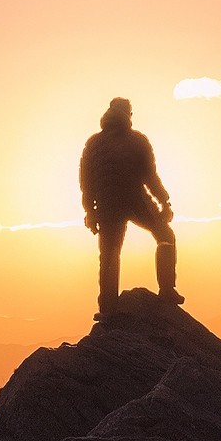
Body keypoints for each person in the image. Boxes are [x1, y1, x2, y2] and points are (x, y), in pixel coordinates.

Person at [80, 98, 183, 319]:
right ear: (128, 114)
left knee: (109, 254)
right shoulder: (137, 140)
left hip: (107, 205)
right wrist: (164, 202)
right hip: (136, 200)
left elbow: (86, 182)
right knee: (165, 236)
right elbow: (150, 176)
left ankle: (107, 309)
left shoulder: (93, 144)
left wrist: (90, 211)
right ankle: (167, 290)